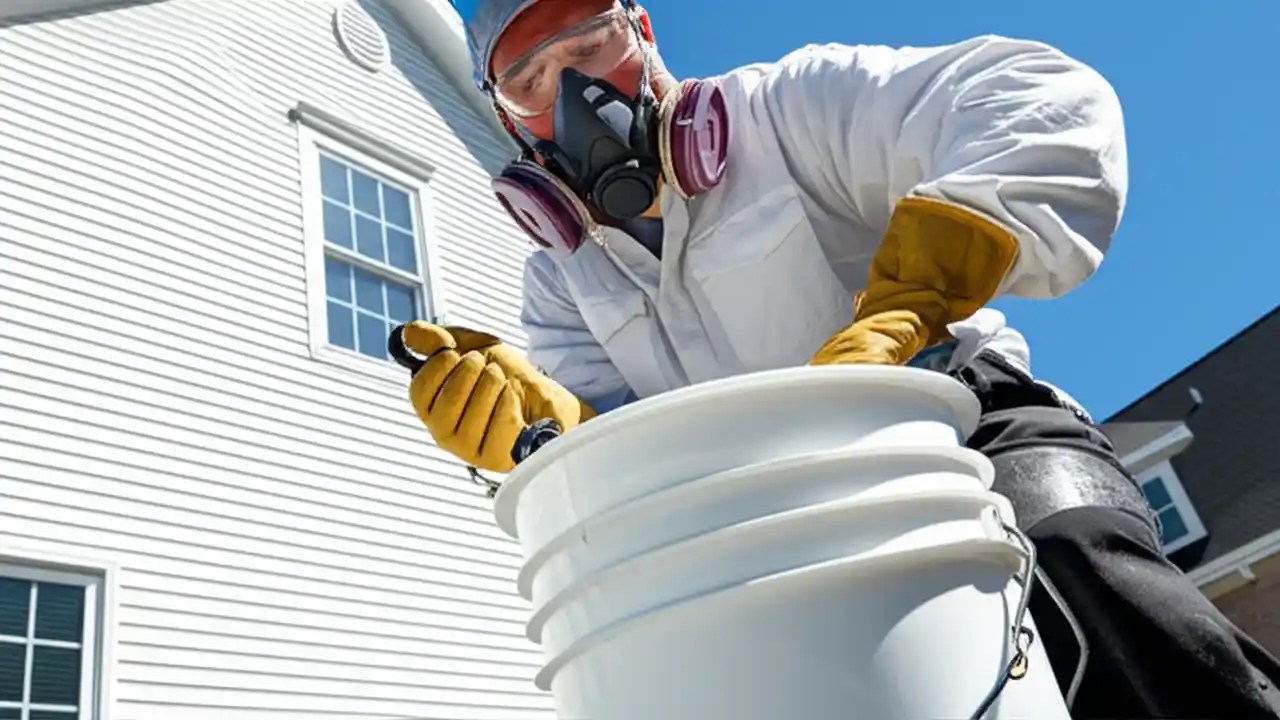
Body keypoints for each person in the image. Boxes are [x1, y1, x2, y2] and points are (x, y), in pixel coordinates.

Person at [399, 0, 1280, 717]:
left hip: (961, 429)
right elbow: (631, 475)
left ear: (644, 35)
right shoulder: (562, 284)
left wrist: (913, 296)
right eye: (529, 82)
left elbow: (1044, 96)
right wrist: (552, 436)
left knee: (1079, 578)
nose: (574, 90)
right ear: (509, 120)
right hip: (765, 522)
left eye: (590, 44)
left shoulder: (784, 111)